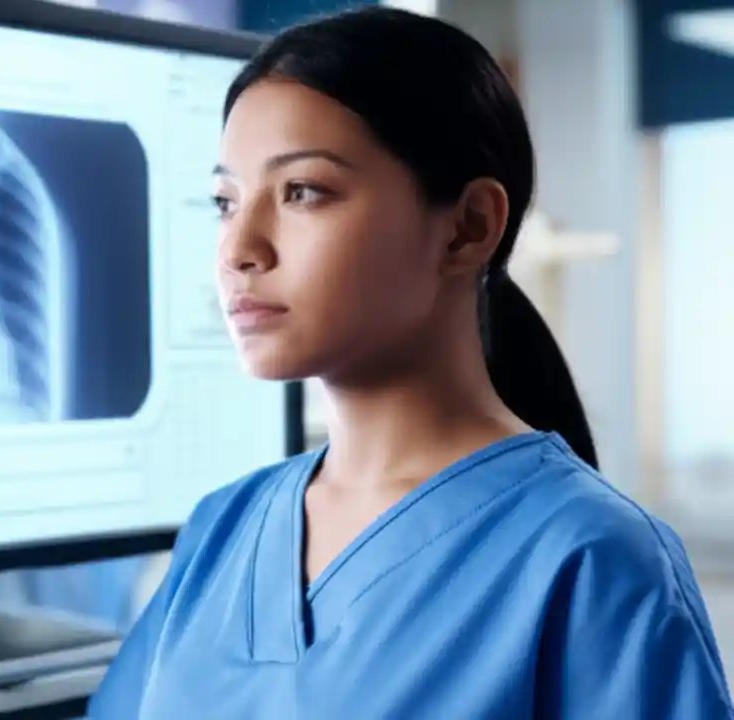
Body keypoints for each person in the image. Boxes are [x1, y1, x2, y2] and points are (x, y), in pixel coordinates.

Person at [88, 7, 734, 718]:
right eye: (224, 201)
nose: (240, 248)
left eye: (302, 192)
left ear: (468, 228)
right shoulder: (224, 527)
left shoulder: (595, 560)